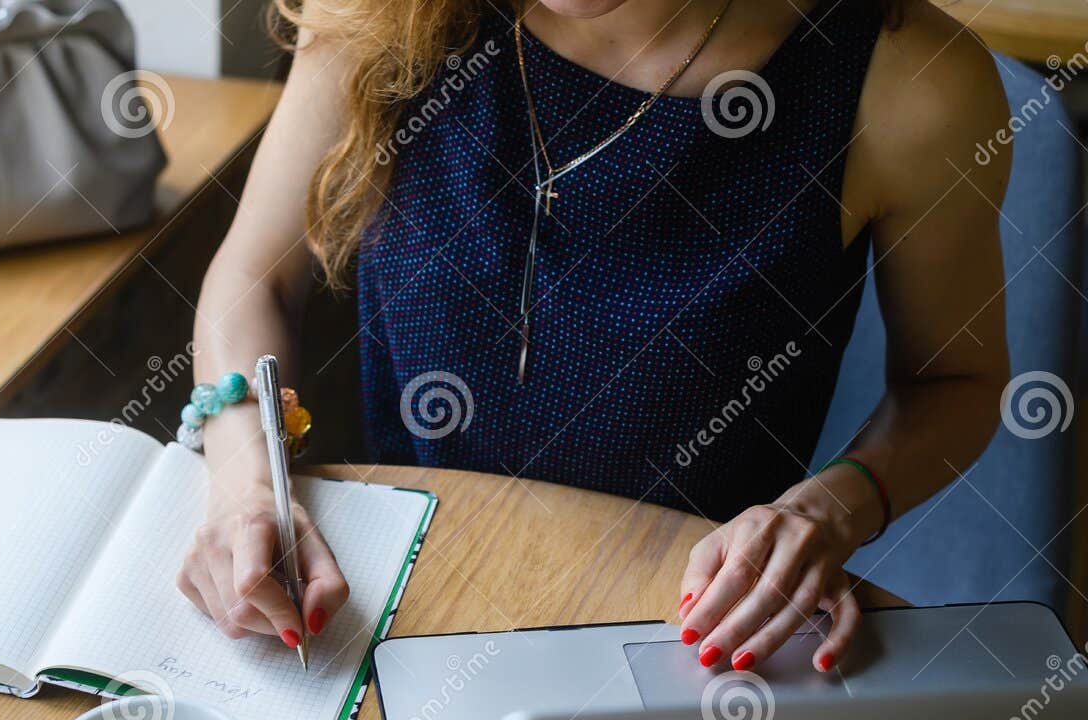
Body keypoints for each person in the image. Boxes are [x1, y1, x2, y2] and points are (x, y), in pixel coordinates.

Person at [178, 0, 1011, 673]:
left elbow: (955, 384)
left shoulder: (910, 85)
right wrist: (248, 483)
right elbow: (254, 277)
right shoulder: (380, 14)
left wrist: (832, 508)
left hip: (676, 643)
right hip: (383, 603)